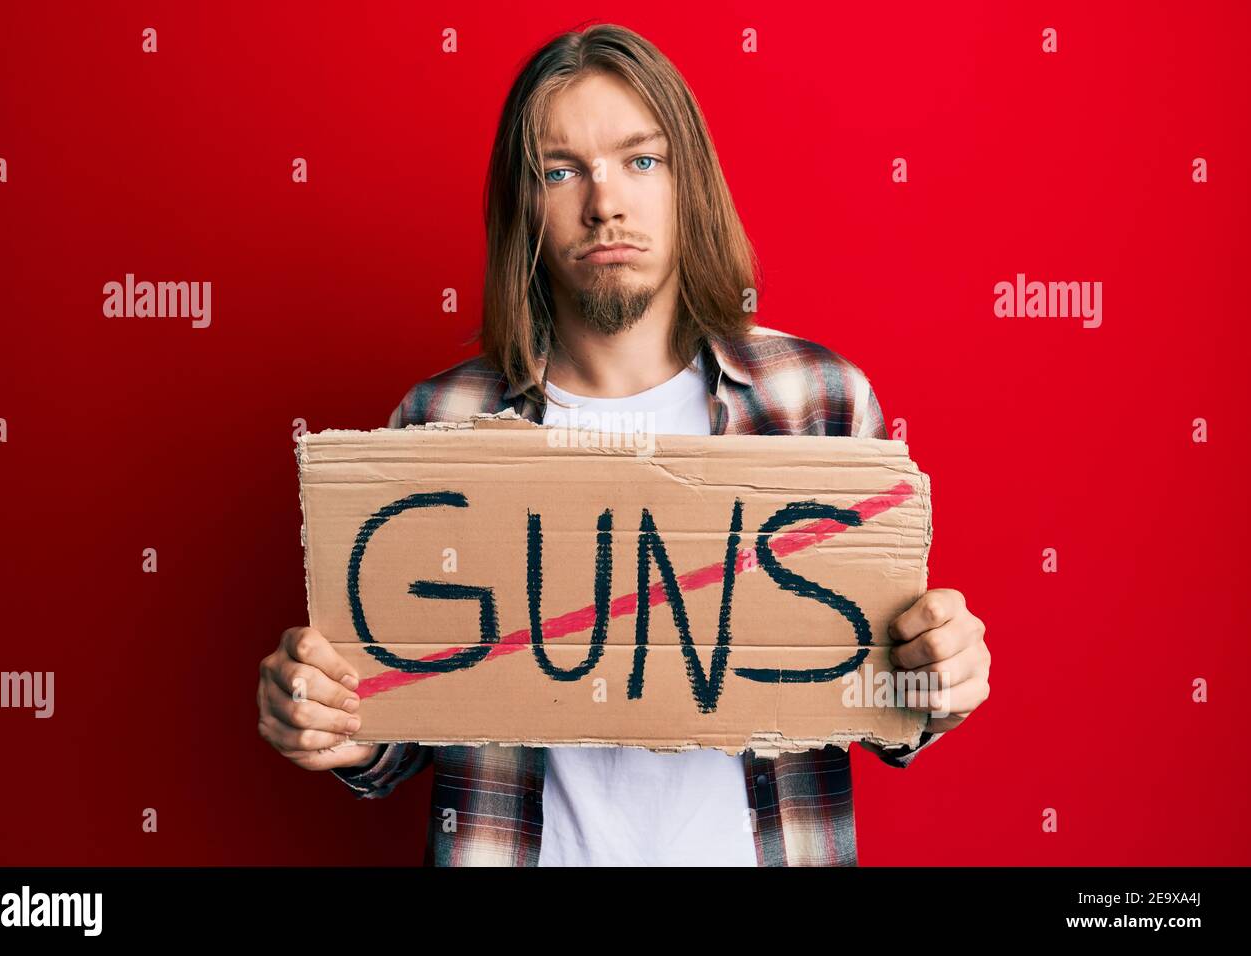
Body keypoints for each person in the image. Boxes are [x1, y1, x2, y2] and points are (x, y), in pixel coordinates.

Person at [256, 23, 990, 866]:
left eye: (641, 161)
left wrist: (935, 681)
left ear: (689, 183)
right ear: (524, 206)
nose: (605, 202)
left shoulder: (817, 401)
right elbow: (405, 722)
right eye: (561, 171)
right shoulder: (439, 421)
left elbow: (875, 696)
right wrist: (332, 724)